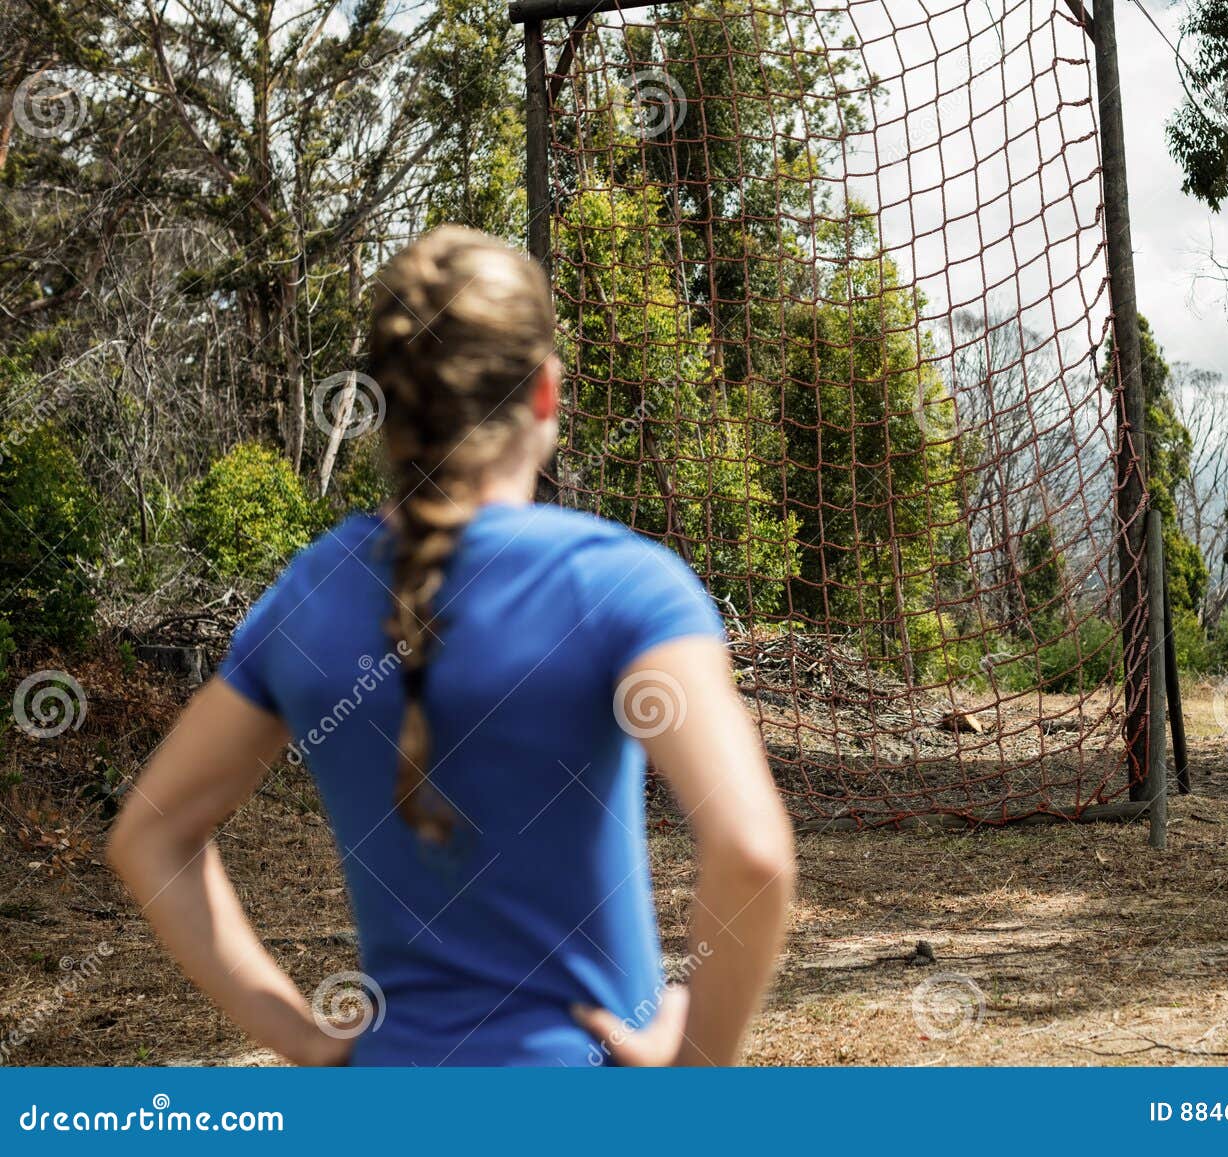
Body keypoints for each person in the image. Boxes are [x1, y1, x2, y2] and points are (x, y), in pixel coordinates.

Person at [108, 226, 794, 1067]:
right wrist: (690, 1075)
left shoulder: (310, 594)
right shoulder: (626, 584)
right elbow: (753, 853)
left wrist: (301, 1037)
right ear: (544, 392)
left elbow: (150, 835)